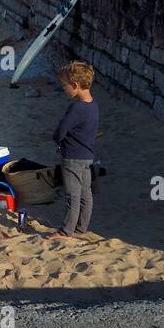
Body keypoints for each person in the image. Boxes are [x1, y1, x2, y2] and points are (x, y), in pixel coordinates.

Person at [50, 62, 99, 240]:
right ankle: (81, 227)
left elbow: (61, 130)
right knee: (86, 193)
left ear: (75, 85)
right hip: (87, 156)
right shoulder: (93, 105)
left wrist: (57, 139)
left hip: (72, 157)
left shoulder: (77, 108)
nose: (64, 89)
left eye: (65, 85)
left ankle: (66, 231)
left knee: (73, 195)